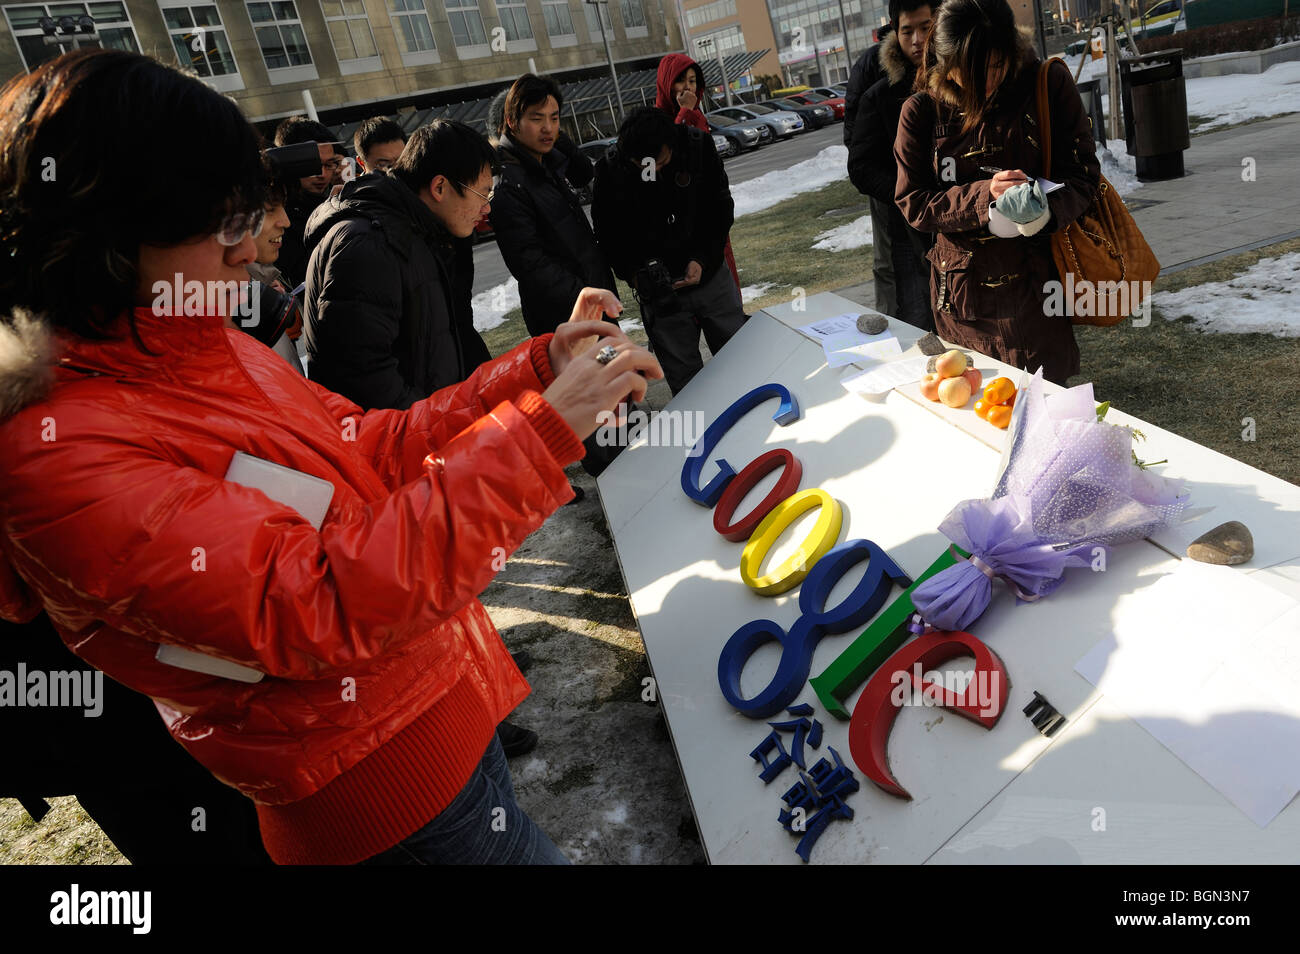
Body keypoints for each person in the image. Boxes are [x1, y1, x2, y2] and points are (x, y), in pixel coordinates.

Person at [0, 48, 663, 866]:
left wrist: (531, 375)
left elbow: (368, 447)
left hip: (443, 710)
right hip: (377, 798)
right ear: (109, 231)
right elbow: (314, 603)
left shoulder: (200, 345)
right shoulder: (55, 458)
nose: (254, 249)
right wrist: (540, 438)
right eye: (223, 221)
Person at [894, 0, 1100, 383]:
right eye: (970, 72)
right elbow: (913, 202)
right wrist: (982, 197)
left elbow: (1083, 173)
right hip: (964, 299)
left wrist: (1047, 210)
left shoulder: (1044, 85)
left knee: (1048, 403)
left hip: (1038, 288)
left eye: (996, 65)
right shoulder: (921, 112)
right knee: (978, 405)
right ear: (942, 61)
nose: (986, 82)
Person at [302, 119, 494, 410]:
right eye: (482, 194)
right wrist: (434, 427)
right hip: (406, 439)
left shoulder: (423, 232)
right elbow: (361, 378)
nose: (487, 207)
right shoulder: (369, 244)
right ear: (439, 187)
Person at [593, 107, 747, 397]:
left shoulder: (697, 147)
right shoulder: (610, 171)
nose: (655, 170)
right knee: (687, 385)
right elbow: (608, 237)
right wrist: (635, 275)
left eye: (662, 162)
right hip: (661, 297)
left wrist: (702, 258)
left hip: (711, 278)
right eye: (646, 166)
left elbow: (721, 209)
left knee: (741, 361)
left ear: (672, 144)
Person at [847, 0, 936, 331]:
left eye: (925, 28)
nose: (917, 40)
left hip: (968, 228)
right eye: (907, 31)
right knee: (919, 324)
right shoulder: (880, 94)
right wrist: (906, 196)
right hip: (908, 230)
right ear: (894, 32)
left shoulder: (968, 82)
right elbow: (860, 165)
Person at [654, 53, 742, 292]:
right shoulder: (655, 122)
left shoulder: (697, 116)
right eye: (680, 80)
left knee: (726, 300)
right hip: (679, 229)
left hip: (710, 220)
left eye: (692, 81)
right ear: (667, 83)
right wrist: (684, 114)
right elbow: (670, 159)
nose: (687, 87)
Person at [273, 116, 346, 287]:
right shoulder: (277, 216)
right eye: (313, 165)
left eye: (330, 165)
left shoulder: (337, 201)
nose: (322, 174)